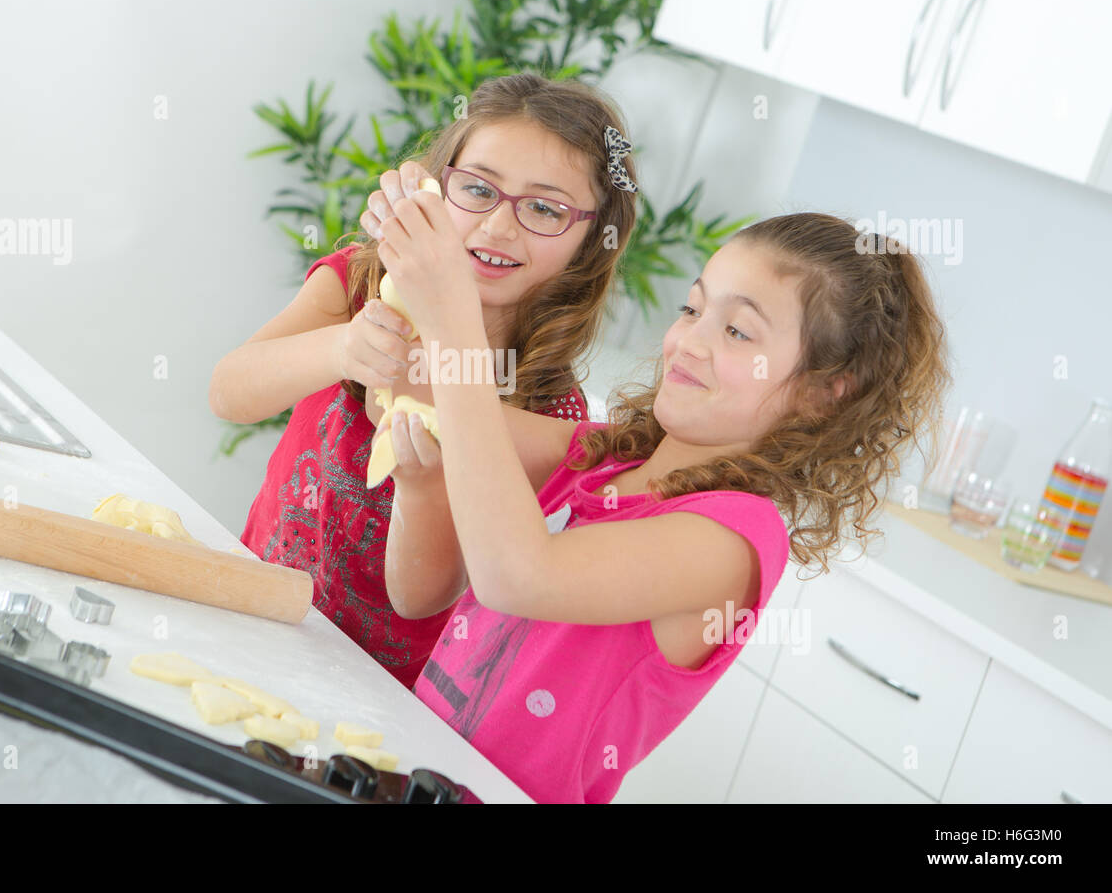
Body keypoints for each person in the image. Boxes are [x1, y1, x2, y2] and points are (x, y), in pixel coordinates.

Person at [372, 203, 952, 802]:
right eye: (692, 309)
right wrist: (409, 249)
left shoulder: (731, 538)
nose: (689, 344)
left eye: (736, 331)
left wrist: (454, 326)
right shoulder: (598, 459)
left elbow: (515, 574)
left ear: (820, 394)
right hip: (414, 770)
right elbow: (407, 393)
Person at [210, 71, 640, 688]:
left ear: (593, 242)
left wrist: (424, 484)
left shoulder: (550, 411)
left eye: (544, 208)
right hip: (254, 609)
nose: (497, 227)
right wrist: (343, 346)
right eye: (477, 189)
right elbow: (229, 392)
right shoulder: (359, 287)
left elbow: (427, 595)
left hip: (378, 693)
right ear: (438, 189)